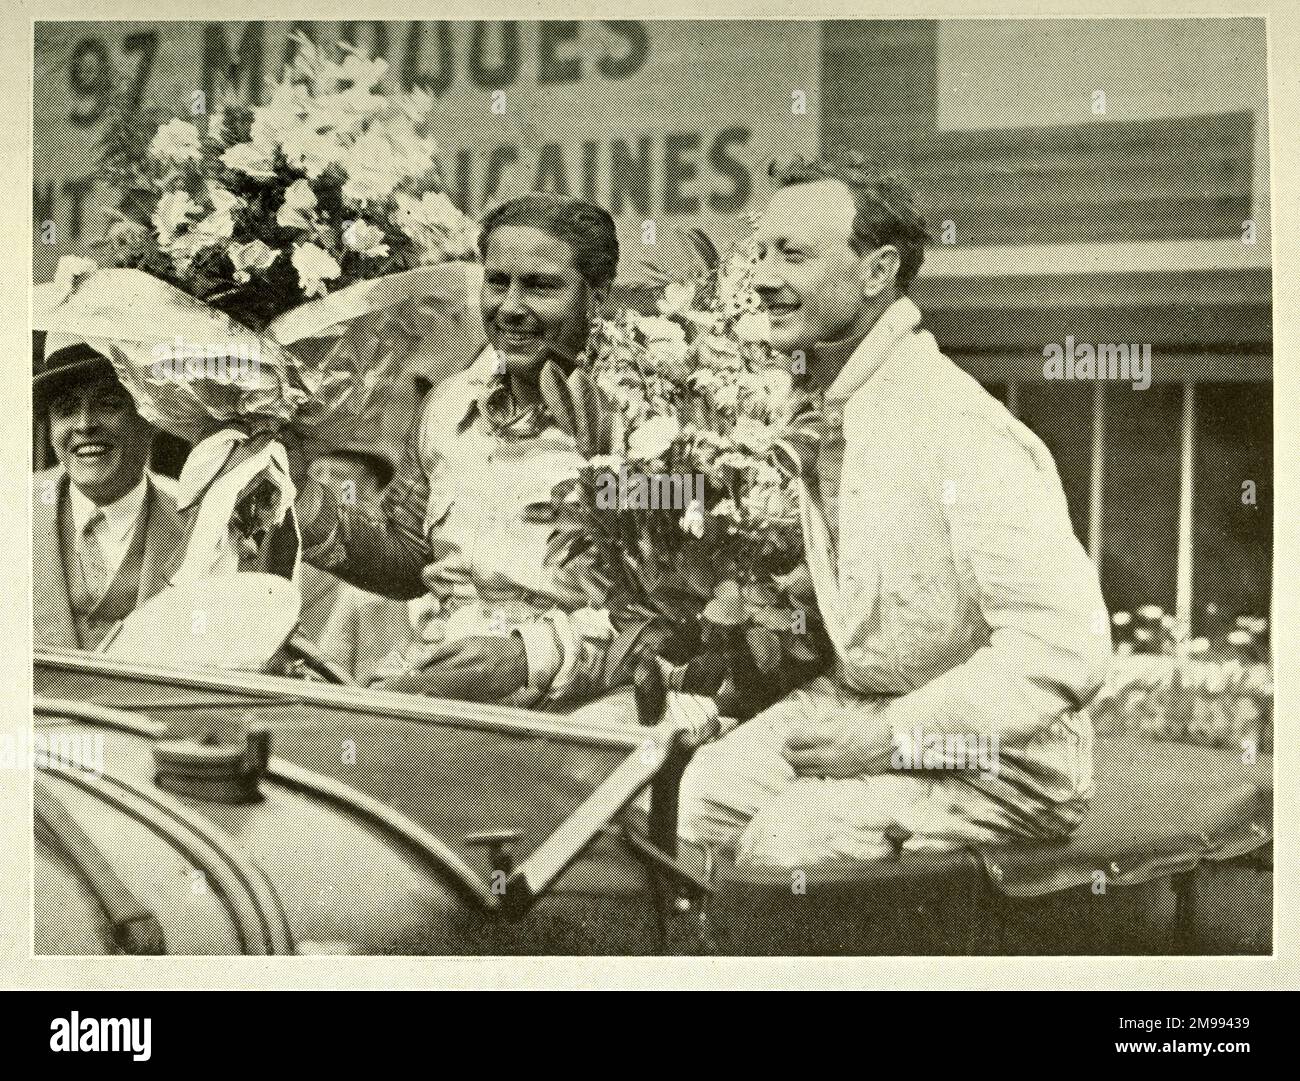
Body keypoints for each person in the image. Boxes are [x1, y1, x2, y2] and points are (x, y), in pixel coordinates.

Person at [677, 159, 1112, 867]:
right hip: (861, 707)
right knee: (684, 802)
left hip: (1000, 763)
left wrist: (889, 738)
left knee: (784, 842)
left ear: (877, 271)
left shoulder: (960, 424)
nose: (760, 276)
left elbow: (1064, 644)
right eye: (762, 252)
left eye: (793, 253)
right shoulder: (832, 403)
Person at [295, 194, 619, 707]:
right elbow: (408, 558)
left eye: (539, 286)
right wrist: (302, 500)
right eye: (498, 282)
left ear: (597, 297)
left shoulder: (650, 421)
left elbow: (674, 621)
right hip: (442, 677)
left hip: (590, 704)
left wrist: (523, 658)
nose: (510, 308)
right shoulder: (448, 401)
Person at [33, 334, 187, 651]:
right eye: (65, 410)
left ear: (153, 414)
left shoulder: (198, 520)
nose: (85, 425)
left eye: (108, 404)